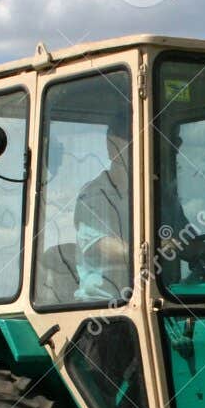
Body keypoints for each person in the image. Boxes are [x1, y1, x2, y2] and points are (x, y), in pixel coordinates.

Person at [73, 119, 130, 302]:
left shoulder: (159, 194)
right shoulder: (93, 196)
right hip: (101, 307)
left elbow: (184, 240)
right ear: (112, 149)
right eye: (131, 141)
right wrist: (156, 249)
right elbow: (101, 247)